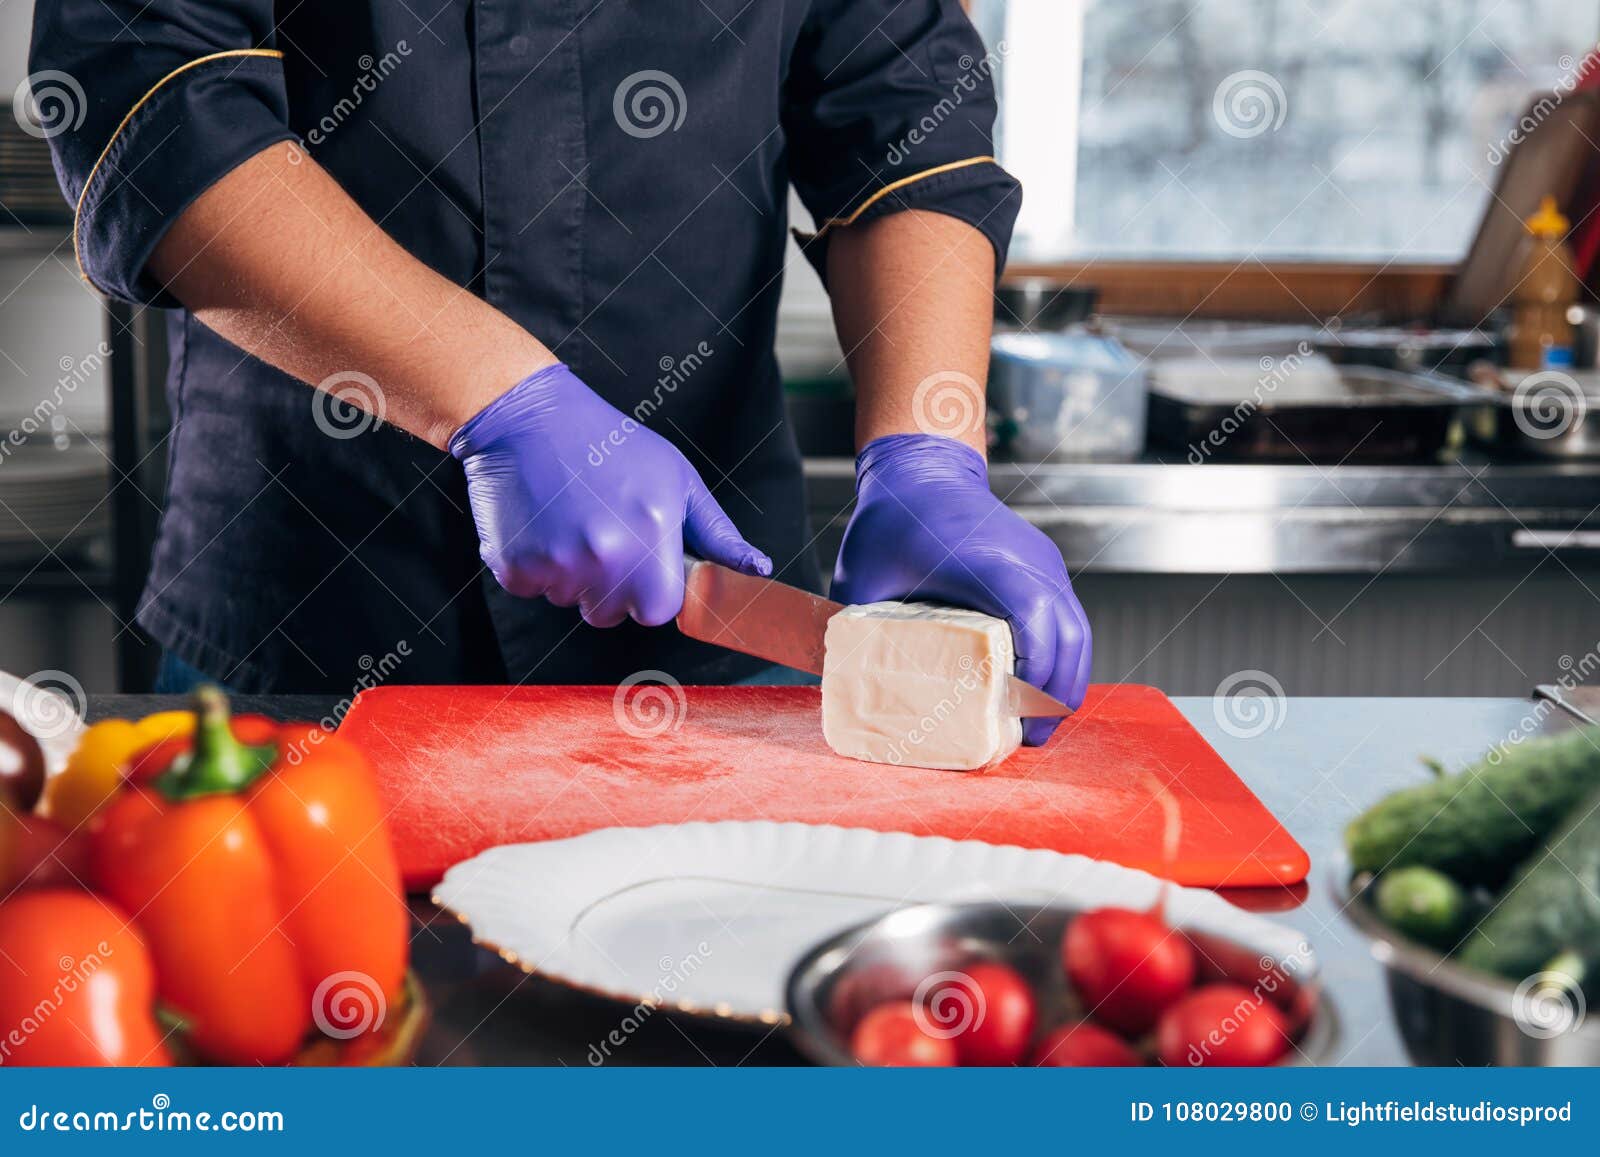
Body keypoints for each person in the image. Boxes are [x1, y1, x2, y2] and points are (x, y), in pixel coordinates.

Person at [31, 0, 1091, 744]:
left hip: (714, 662)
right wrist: (499, 399)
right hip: (305, 631)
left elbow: (907, 121)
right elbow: (148, 96)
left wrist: (927, 451)